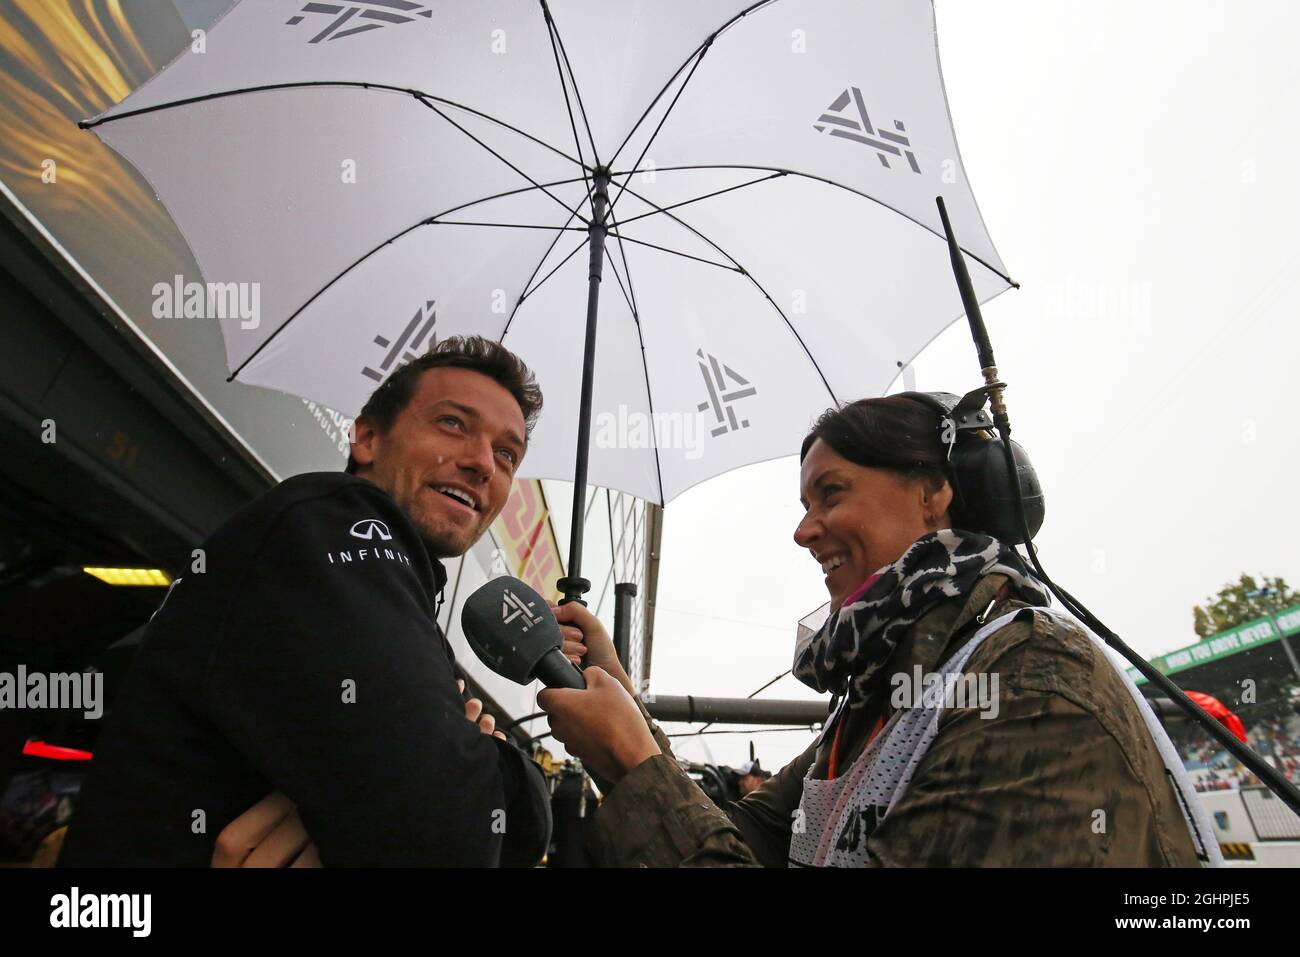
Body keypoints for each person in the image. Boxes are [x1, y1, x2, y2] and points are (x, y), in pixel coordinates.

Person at [537, 395, 1217, 866]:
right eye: (804, 504)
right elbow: (742, 841)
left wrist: (630, 759)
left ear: (934, 492)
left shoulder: (1029, 683)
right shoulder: (881, 699)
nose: (803, 530)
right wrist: (621, 708)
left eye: (830, 493)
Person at [58, 336, 551, 867]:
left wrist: (465, 770)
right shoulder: (330, 518)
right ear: (367, 436)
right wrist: (509, 778)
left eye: (507, 453)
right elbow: (451, 828)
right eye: (453, 423)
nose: (483, 463)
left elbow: (463, 820)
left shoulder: (396, 590)